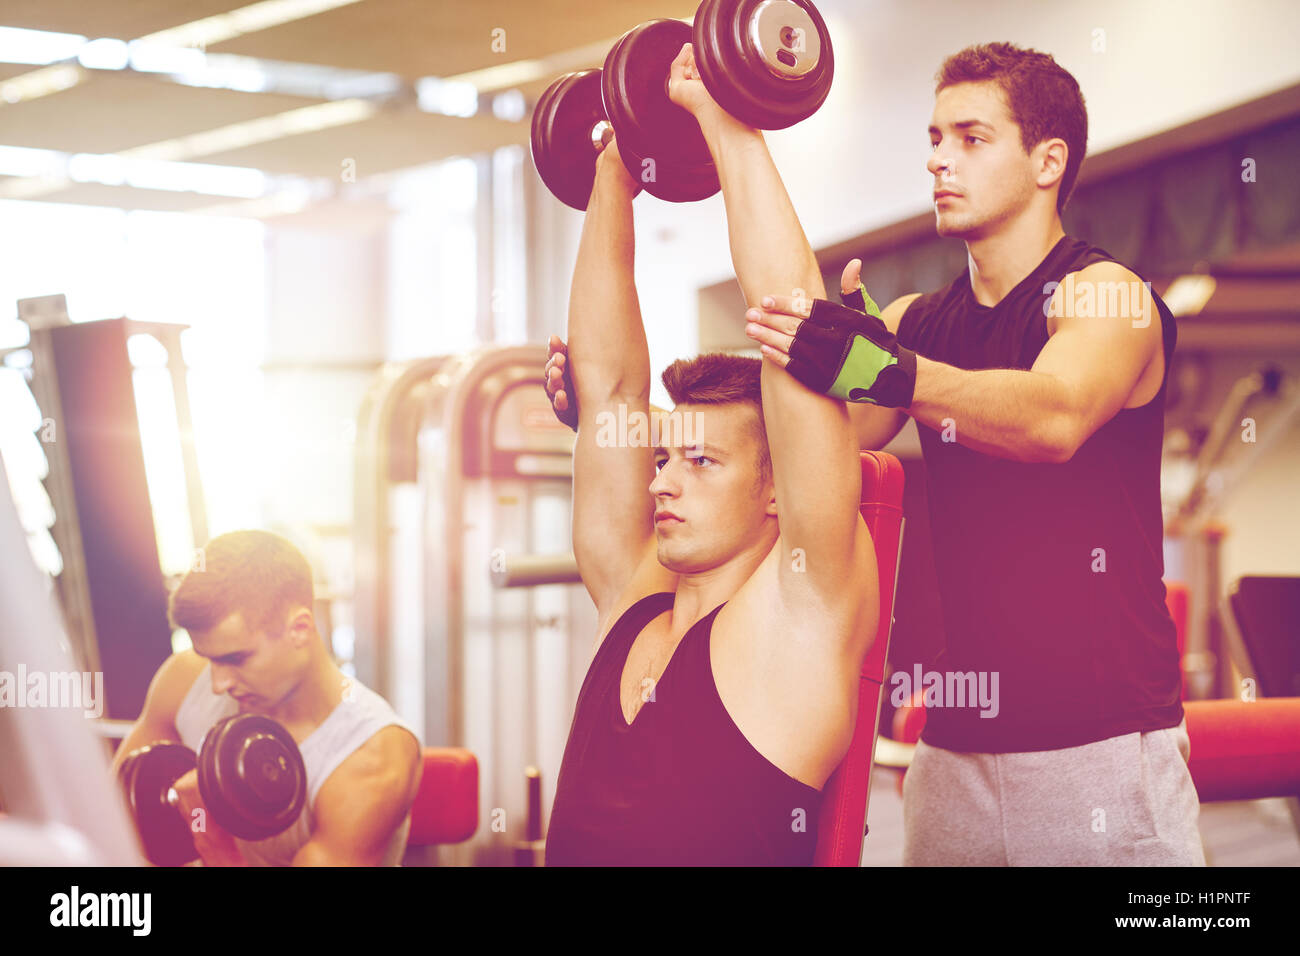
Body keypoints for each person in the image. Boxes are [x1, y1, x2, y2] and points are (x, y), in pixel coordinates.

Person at [549, 41, 1204, 866]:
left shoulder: (1105, 295)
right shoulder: (915, 320)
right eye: (933, 138)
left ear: (1048, 161)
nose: (939, 160)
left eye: (970, 138)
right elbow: (798, 447)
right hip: (954, 746)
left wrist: (887, 370)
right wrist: (616, 429)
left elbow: (1055, 417)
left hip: (1100, 747)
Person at [542, 44, 879, 865]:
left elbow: (792, 323)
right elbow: (614, 391)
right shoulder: (633, 592)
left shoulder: (799, 614)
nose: (663, 482)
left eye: (702, 463)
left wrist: (728, 123)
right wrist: (614, 174)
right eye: (666, 460)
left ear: (777, 491)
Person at [112, 530, 422, 865]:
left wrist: (212, 835)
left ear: (300, 629)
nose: (218, 683)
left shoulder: (370, 759)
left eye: (235, 659)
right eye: (209, 658)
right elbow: (111, 809)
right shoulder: (184, 678)